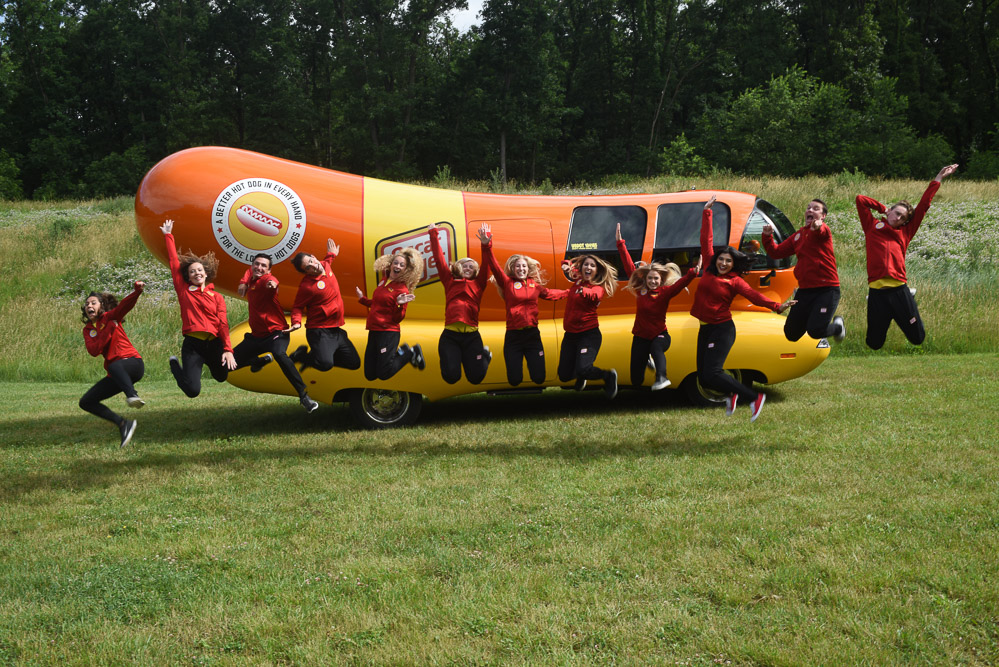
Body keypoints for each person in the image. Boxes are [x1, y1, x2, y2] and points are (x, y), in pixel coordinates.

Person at [691, 196, 795, 422]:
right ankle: (733, 395)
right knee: (704, 376)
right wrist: (707, 213)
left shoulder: (735, 281)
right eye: (721, 260)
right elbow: (706, 241)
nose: (723, 263)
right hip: (705, 328)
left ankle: (754, 397)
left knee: (713, 372)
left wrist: (777, 306)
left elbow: (755, 297)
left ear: (733, 264)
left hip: (721, 329)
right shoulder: (709, 269)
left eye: (728, 261)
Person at [857, 164, 958, 350]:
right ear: (890, 211)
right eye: (896, 213)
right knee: (874, 343)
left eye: (902, 218)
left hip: (898, 290)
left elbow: (924, 205)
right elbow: (860, 200)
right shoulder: (871, 226)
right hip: (877, 293)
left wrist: (939, 178)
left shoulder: (905, 232)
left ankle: (903, 305)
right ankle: (890, 312)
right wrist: (882, 208)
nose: (898, 219)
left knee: (917, 338)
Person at [233, 252, 320, 413]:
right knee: (228, 366)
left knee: (279, 354)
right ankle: (257, 362)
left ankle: (304, 396)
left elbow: (273, 281)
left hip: (277, 334)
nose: (259, 267)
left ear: (269, 270)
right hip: (256, 337)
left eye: (263, 266)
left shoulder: (267, 280)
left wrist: (272, 285)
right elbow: (248, 271)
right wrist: (243, 281)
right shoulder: (251, 277)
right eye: (256, 264)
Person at [616, 223, 700, 390]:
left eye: (656, 279)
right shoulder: (641, 290)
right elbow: (630, 267)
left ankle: (662, 377)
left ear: (660, 280)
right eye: (650, 279)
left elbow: (681, 284)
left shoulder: (665, 292)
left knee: (656, 347)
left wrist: (693, 272)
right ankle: (646, 361)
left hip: (660, 336)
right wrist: (620, 243)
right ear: (646, 279)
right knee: (636, 378)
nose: (653, 281)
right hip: (640, 337)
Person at [161, 219, 236, 398]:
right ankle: (175, 367)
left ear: (206, 273)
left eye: (200, 270)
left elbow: (223, 323)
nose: (197, 273)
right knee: (192, 391)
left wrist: (227, 349)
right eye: (192, 271)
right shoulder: (184, 291)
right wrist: (168, 235)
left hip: (214, 344)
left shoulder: (216, 296)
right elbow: (173, 263)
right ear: (187, 276)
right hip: (193, 346)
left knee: (221, 377)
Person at [485, 232, 568, 386]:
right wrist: (487, 245)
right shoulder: (507, 283)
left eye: (523, 266)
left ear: (527, 268)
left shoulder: (534, 285)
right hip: (513, 336)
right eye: (518, 266)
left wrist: (570, 292)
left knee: (539, 378)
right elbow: (494, 266)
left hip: (532, 336)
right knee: (514, 380)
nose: (521, 269)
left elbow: (550, 294)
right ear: (513, 268)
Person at [761, 198, 845, 343]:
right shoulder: (798, 236)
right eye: (808, 208)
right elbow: (776, 252)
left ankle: (837, 328)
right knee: (791, 334)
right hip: (805, 291)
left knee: (815, 331)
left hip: (827, 289)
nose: (810, 210)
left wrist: (819, 226)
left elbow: (822, 231)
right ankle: (814, 319)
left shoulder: (823, 231)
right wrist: (767, 237)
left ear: (823, 215)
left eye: (816, 208)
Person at [286, 238, 361, 386]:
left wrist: (332, 253)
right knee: (325, 364)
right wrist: (295, 322)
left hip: (336, 330)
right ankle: (303, 357)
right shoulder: (307, 287)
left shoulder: (325, 264)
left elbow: (328, 259)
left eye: (312, 261)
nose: (314, 266)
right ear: (305, 273)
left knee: (354, 363)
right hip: (319, 331)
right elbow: (297, 307)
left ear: (314, 257)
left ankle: (318, 355)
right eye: (308, 267)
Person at [80, 281, 145, 447]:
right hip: (116, 372)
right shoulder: (88, 330)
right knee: (86, 402)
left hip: (133, 364)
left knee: (114, 364)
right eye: (87, 304)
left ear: (101, 306)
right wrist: (108, 331)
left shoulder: (110, 317)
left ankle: (132, 395)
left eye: (93, 302)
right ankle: (124, 424)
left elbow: (125, 306)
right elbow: (94, 351)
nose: (89, 306)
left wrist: (137, 292)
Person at [427, 222, 494, 384]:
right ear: (458, 267)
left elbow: (486, 263)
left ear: (476, 271)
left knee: (476, 378)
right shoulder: (449, 280)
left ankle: (485, 356)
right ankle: (450, 360)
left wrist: (486, 244)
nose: (468, 267)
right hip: (451, 336)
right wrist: (433, 234)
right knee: (451, 377)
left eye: (472, 266)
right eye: (465, 265)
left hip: (472, 336)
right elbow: (439, 259)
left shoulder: (479, 283)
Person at [356, 247, 425, 381]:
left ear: (406, 270)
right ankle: (403, 350)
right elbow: (378, 304)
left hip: (388, 332)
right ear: (391, 264)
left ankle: (410, 353)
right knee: (370, 375)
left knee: (383, 373)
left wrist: (399, 305)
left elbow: (398, 318)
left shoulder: (402, 289)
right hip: (374, 330)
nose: (397, 266)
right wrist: (362, 299)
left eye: (402, 265)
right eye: (396, 263)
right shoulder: (384, 280)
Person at [557, 254, 620, 399]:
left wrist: (583, 291)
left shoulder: (597, 287)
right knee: (564, 376)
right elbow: (564, 262)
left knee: (584, 368)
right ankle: (581, 375)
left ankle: (608, 376)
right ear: (581, 267)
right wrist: (567, 265)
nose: (588, 268)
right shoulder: (578, 279)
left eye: (592, 266)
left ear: (597, 271)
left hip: (588, 334)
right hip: (571, 335)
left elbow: (595, 296)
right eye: (586, 264)